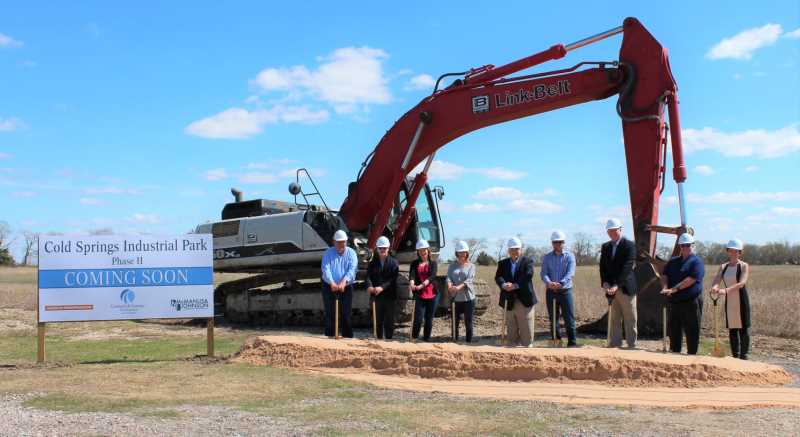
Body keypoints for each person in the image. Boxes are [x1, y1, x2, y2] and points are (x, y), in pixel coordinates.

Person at [661, 233, 705, 355]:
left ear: (692, 245)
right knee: (674, 330)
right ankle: (675, 353)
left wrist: (674, 289)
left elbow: (691, 279)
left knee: (692, 331)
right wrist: (665, 287)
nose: (685, 247)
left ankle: (691, 356)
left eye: (687, 245)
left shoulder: (697, 262)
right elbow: (664, 275)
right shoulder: (673, 261)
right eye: (682, 245)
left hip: (691, 302)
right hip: (674, 302)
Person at [599, 218, 638, 348]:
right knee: (614, 318)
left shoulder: (629, 245)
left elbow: (627, 268)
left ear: (620, 229)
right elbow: (602, 267)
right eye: (609, 231)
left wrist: (617, 285)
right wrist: (605, 283)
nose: (611, 233)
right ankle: (615, 345)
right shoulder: (605, 247)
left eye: (614, 231)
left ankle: (632, 345)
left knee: (630, 318)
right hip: (610, 289)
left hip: (626, 288)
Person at [711, 238, 751, 359]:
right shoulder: (723, 266)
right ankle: (735, 356)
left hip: (741, 299)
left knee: (743, 328)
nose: (733, 253)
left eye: (736, 251)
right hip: (730, 301)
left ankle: (744, 356)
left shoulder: (744, 266)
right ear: (727, 251)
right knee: (732, 328)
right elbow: (717, 279)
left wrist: (726, 290)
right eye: (731, 251)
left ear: (740, 252)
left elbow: (742, 283)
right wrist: (714, 287)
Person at [495, 237, 537, 346]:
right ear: (508, 250)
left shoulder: (528, 261)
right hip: (508, 300)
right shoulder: (502, 263)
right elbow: (498, 277)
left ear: (521, 249)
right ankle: (512, 348)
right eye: (512, 249)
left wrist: (514, 285)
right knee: (511, 329)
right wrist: (504, 285)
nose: (514, 251)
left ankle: (527, 348)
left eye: (517, 249)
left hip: (524, 300)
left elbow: (528, 275)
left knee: (526, 328)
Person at [541, 230, 577, 347]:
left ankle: (572, 343)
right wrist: (549, 282)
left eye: (560, 242)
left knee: (569, 319)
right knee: (553, 319)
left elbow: (570, 273)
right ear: (552, 243)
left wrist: (561, 283)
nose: (558, 244)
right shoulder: (547, 257)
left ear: (563, 242)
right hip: (551, 292)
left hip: (565, 291)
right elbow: (543, 273)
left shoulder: (570, 256)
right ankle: (556, 342)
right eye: (555, 242)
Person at [320, 229, 358, 338]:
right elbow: (325, 268)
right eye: (338, 242)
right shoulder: (328, 253)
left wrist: (343, 282)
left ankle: (347, 337)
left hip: (346, 286)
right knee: (330, 313)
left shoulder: (351, 253)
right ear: (334, 242)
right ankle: (330, 336)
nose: (341, 244)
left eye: (343, 242)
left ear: (346, 242)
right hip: (329, 286)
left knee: (346, 313)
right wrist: (332, 283)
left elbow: (352, 269)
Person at [366, 236, 400, 339]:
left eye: (384, 248)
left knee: (389, 320)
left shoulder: (394, 263)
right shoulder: (372, 264)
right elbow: (368, 277)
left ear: (388, 249)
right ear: (377, 249)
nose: (382, 250)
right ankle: (378, 338)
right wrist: (369, 286)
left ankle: (389, 339)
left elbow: (392, 279)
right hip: (377, 296)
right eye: (380, 248)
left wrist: (382, 287)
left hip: (389, 296)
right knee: (378, 319)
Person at [447, 240, 476, 343]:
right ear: (457, 253)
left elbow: (469, 280)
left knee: (468, 321)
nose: (462, 254)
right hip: (455, 298)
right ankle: (455, 339)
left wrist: (458, 287)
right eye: (460, 252)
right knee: (455, 321)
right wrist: (450, 285)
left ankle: (469, 341)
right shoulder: (452, 266)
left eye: (464, 252)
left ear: (467, 253)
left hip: (468, 298)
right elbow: (449, 277)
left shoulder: (472, 266)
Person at [409, 239, 438, 342]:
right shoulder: (414, 263)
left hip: (432, 294)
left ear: (428, 250)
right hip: (420, 294)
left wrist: (421, 285)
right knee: (418, 318)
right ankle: (414, 338)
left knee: (429, 319)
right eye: (420, 250)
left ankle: (426, 339)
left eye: (424, 250)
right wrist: (412, 283)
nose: (423, 252)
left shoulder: (433, 263)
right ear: (418, 251)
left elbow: (432, 277)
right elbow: (412, 275)